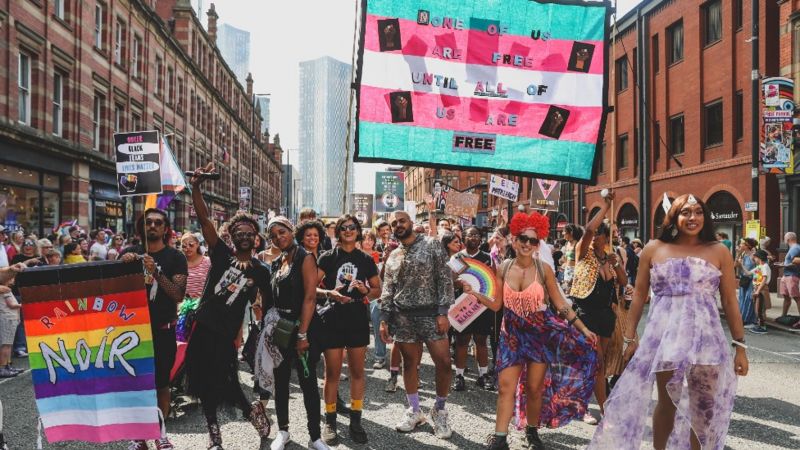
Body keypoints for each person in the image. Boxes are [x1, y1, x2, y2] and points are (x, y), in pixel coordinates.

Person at [589, 194, 749, 450]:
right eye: (685, 212)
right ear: (674, 217)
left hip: (707, 341)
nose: (693, 217)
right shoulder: (653, 248)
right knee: (667, 402)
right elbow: (639, 294)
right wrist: (629, 338)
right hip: (665, 338)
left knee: (703, 405)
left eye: (698, 212)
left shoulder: (719, 251)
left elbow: (730, 300)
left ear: (705, 216)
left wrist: (740, 347)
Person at [485, 212, 598, 450]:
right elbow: (496, 305)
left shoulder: (544, 269)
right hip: (511, 336)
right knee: (506, 387)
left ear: (538, 244)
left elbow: (561, 304)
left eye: (533, 240)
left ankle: (532, 431)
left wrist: (584, 328)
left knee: (535, 389)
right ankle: (499, 437)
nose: (527, 244)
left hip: (539, 335)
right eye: (522, 239)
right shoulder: (503, 268)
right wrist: (474, 292)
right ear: (514, 241)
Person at [185, 165, 272, 448]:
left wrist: (248, 335)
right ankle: (214, 436)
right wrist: (196, 188)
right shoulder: (220, 254)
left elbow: (262, 304)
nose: (244, 236)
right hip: (203, 328)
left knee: (229, 382)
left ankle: (252, 413)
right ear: (231, 236)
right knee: (202, 384)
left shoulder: (261, 271)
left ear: (256, 237)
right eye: (239, 232)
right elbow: (203, 219)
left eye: (250, 232)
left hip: (226, 335)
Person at [379, 211, 455, 439]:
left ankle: (439, 410)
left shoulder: (432, 245)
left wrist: (443, 312)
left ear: (411, 222)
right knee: (410, 364)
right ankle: (414, 410)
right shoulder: (392, 255)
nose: (398, 225)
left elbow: (444, 278)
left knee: (444, 362)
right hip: (402, 317)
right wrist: (384, 319)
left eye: (402, 221)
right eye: (394, 224)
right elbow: (388, 288)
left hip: (431, 314)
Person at [120, 208, 188, 450]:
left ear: (166, 228)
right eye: (148, 222)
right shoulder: (129, 254)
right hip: (133, 332)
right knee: (136, 383)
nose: (153, 226)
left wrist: (156, 272)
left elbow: (178, 294)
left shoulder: (176, 257)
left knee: (161, 383)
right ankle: (139, 436)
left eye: (158, 222)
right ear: (142, 227)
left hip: (163, 329)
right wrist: (122, 265)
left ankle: (160, 433)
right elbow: (114, 291)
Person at [316, 215, 381, 445]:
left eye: (352, 227)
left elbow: (377, 290)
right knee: (332, 373)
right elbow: (311, 287)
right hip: (333, 316)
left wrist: (365, 291)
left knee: (357, 372)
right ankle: (330, 421)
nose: (348, 230)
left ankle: (356, 420)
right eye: (343, 228)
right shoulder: (327, 257)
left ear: (358, 231)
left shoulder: (365, 259)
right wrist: (328, 293)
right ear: (338, 232)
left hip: (356, 317)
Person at [266, 216, 330, 450]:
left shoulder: (305, 257)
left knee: (308, 382)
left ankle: (315, 437)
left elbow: (310, 297)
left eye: (282, 232)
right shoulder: (278, 261)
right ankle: (283, 432)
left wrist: (302, 334)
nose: (278, 238)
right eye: (273, 235)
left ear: (291, 231)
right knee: (281, 381)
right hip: (281, 329)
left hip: (303, 328)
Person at [569, 193, 627, 424]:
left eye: (599, 235)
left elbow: (622, 282)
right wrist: (606, 205)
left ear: (606, 237)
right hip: (585, 313)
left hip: (605, 315)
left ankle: (589, 406)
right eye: (594, 235)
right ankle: (600, 409)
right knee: (596, 361)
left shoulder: (610, 257)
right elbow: (589, 229)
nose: (594, 238)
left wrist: (617, 265)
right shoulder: (583, 253)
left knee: (593, 363)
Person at [452, 227, 496, 392]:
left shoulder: (487, 258)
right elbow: (451, 279)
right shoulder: (458, 257)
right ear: (464, 237)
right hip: (462, 304)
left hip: (482, 305)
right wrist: (461, 283)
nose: (474, 237)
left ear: (481, 239)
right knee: (462, 341)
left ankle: (483, 376)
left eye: (477, 235)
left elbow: (492, 279)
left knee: (481, 341)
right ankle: (459, 375)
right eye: (470, 234)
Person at [361, 229, 386, 370]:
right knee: (360, 326)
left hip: (375, 295)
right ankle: (360, 353)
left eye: (370, 239)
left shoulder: (379, 256)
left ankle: (380, 356)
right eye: (365, 239)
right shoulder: (356, 255)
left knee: (378, 325)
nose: (368, 242)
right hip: (359, 294)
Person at [743, 249, 771, 335]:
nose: (754, 259)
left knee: (760, 309)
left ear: (759, 258)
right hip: (757, 289)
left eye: (755, 257)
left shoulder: (765, 266)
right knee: (757, 308)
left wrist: (758, 291)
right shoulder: (759, 267)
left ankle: (762, 327)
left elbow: (764, 279)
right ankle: (759, 325)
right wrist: (741, 264)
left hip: (761, 289)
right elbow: (748, 273)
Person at [734, 238, 758, 327]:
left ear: (748, 246)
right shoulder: (743, 254)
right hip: (744, 279)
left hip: (751, 280)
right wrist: (738, 253)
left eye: (742, 244)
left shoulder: (754, 255)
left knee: (749, 299)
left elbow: (759, 268)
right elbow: (735, 265)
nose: (740, 245)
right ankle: (742, 318)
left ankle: (748, 319)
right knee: (742, 298)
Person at [779, 232, 800, 317]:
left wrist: (785, 265)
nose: (784, 240)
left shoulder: (795, 248)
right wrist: (783, 263)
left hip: (792, 276)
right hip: (786, 275)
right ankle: (783, 316)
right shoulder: (792, 248)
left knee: (796, 298)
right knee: (786, 297)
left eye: (784, 238)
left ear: (788, 239)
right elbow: (791, 261)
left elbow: (796, 261)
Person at [560, 224, 583, 292]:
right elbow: (566, 259)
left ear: (571, 233)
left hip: (574, 271)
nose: (563, 237)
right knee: (566, 291)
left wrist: (574, 276)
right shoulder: (567, 244)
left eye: (565, 234)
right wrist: (562, 260)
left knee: (573, 292)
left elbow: (579, 261)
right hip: (566, 270)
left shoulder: (577, 244)